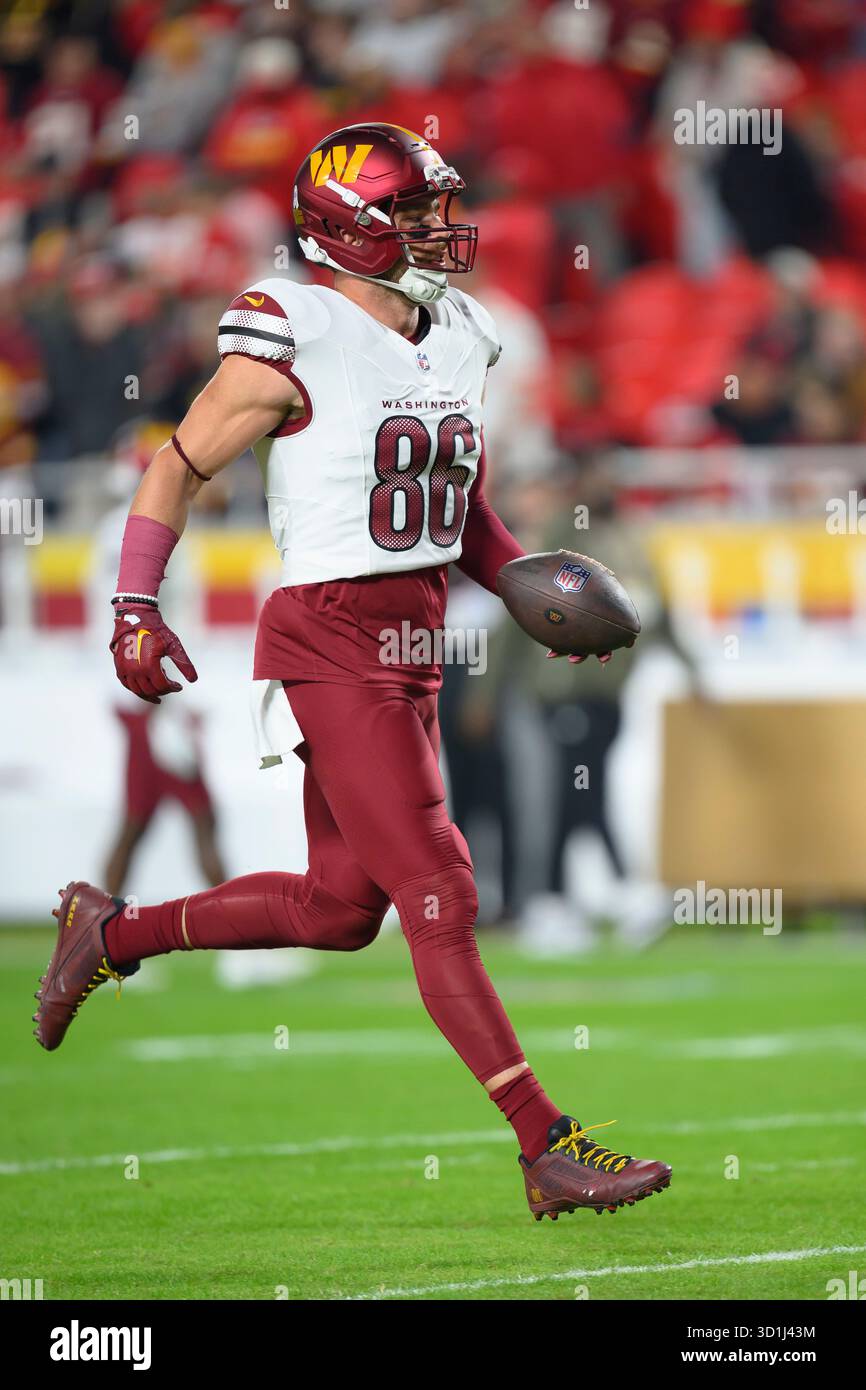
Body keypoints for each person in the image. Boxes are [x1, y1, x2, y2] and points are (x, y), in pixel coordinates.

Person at [33, 123, 671, 1221]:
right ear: (349, 224)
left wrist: (522, 583)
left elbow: (456, 510)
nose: (438, 228)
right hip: (331, 633)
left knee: (340, 909)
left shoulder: (456, 330)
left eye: (435, 208)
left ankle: (112, 932)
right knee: (441, 886)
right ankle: (544, 1144)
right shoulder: (295, 324)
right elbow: (177, 465)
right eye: (415, 212)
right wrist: (135, 603)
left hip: (415, 632)